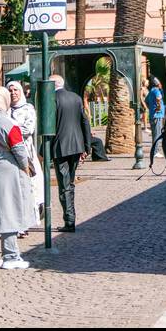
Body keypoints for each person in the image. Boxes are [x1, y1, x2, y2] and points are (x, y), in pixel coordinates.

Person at [0, 87, 37, 269]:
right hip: (8, 172)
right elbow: (19, 149)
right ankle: (11, 255)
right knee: (8, 213)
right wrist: (25, 168)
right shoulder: (8, 123)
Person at [51, 76, 92, 233]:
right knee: (70, 183)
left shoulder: (52, 98)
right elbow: (85, 121)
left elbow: (49, 125)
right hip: (76, 145)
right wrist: (87, 146)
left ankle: (69, 220)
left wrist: (43, 151)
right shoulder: (75, 98)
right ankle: (70, 218)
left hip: (60, 147)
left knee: (64, 185)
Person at [6, 80, 43, 231]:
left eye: (16, 90)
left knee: (29, 186)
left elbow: (29, 129)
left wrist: (10, 131)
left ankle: (27, 220)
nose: (13, 93)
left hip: (26, 152)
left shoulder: (28, 109)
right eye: (10, 90)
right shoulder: (5, 110)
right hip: (8, 153)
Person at [145, 77, 166, 165]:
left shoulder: (151, 91)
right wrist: (158, 108)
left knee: (155, 134)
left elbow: (146, 101)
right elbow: (158, 98)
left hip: (152, 115)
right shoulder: (157, 91)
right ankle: (156, 152)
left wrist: (151, 108)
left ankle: (155, 151)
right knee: (157, 134)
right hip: (157, 115)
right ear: (158, 84)